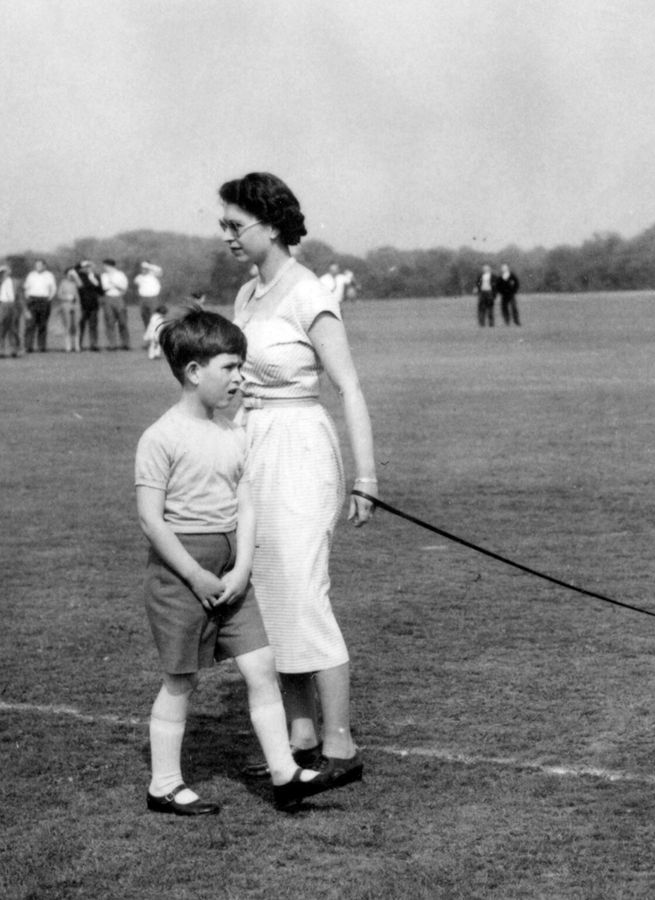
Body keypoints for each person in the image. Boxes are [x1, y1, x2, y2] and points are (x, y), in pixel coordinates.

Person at [135, 308, 335, 814]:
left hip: (231, 573)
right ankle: (164, 784)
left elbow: (246, 504)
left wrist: (242, 568)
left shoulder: (233, 432)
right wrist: (195, 575)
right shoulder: (160, 437)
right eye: (228, 367)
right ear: (193, 372)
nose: (239, 378)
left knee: (261, 666)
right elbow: (152, 521)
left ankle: (284, 773)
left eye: (241, 367)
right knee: (181, 680)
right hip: (182, 574)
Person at [221, 172, 378, 787]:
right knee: (270, 592)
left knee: (303, 590)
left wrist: (366, 477)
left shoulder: (308, 291)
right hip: (254, 444)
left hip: (301, 448)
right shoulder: (246, 293)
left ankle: (341, 744)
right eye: (224, 225)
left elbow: (350, 386)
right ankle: (301, 735)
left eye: (236, 225)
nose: (228, 236)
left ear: (271, 225)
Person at [23, 260, 56, 353]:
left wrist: (49, 298)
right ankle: (28, 346)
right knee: (30, 324)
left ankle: (42, 346)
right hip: (32, 300)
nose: (38, 267)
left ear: (44, 266)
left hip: (44, 300)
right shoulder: (31, 275)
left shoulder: (49, 275)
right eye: (36, 265)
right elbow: (26, 287)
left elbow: (53, 288)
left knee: (42, 324)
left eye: (40, 265)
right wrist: (27, 298)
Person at [101, 259, 132, 350]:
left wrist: (114, 284)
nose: (104, 268)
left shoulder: (120, 275)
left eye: (105, 266)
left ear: (110, 266)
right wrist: (114, 285)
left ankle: (125, 343)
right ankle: (112, 344)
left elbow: (124, 287)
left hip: (118, 298)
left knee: (123, 322)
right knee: (109, 321)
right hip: (108, 298)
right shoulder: (104, 276)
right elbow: (104, 287)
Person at [76, 260, 104, 351]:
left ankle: (93, 345)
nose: (88, 268)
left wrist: (95, 282)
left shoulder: (96, 277)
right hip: (82, 304)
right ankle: (78, 344)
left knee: (93, 325)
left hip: (94, 305)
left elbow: (101, 292)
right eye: (86, 267)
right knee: (81, 325)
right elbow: (74, 269)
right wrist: (82, 263)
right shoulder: (80, 276)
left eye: (90, 267)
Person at [55, 265, 83, 352]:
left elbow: (80, 285)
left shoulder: (76, 282)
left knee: (76, 325)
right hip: (66, 305)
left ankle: (77, 346)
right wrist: (67, 297)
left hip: (76, 305)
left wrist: (76, 276)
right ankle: (68, 346)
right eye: (69, 273)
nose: (71, 275)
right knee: (68, 325)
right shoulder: (63, 283)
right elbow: (59, 295)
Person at [134, 261, 164, 334]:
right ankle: (148, 334)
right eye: (142, 268)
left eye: (145, 269)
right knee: (145, 316)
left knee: (154, 316)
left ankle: (157, 333)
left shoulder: (153, 276)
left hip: (153, 299)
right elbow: (136, 282)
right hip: (143, 299)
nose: (143, 270)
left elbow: (160, 271)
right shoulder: (139, 277)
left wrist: (149, 266)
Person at [0, 265, 19, 358]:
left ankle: (14, 350)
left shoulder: (14, 282)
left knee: (13, 328)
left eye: (5, 272)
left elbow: (19, 295)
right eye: (2, 272)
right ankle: (1, 350)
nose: (4, 274)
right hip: (2, 304)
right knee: (1, 328)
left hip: (12, 305)